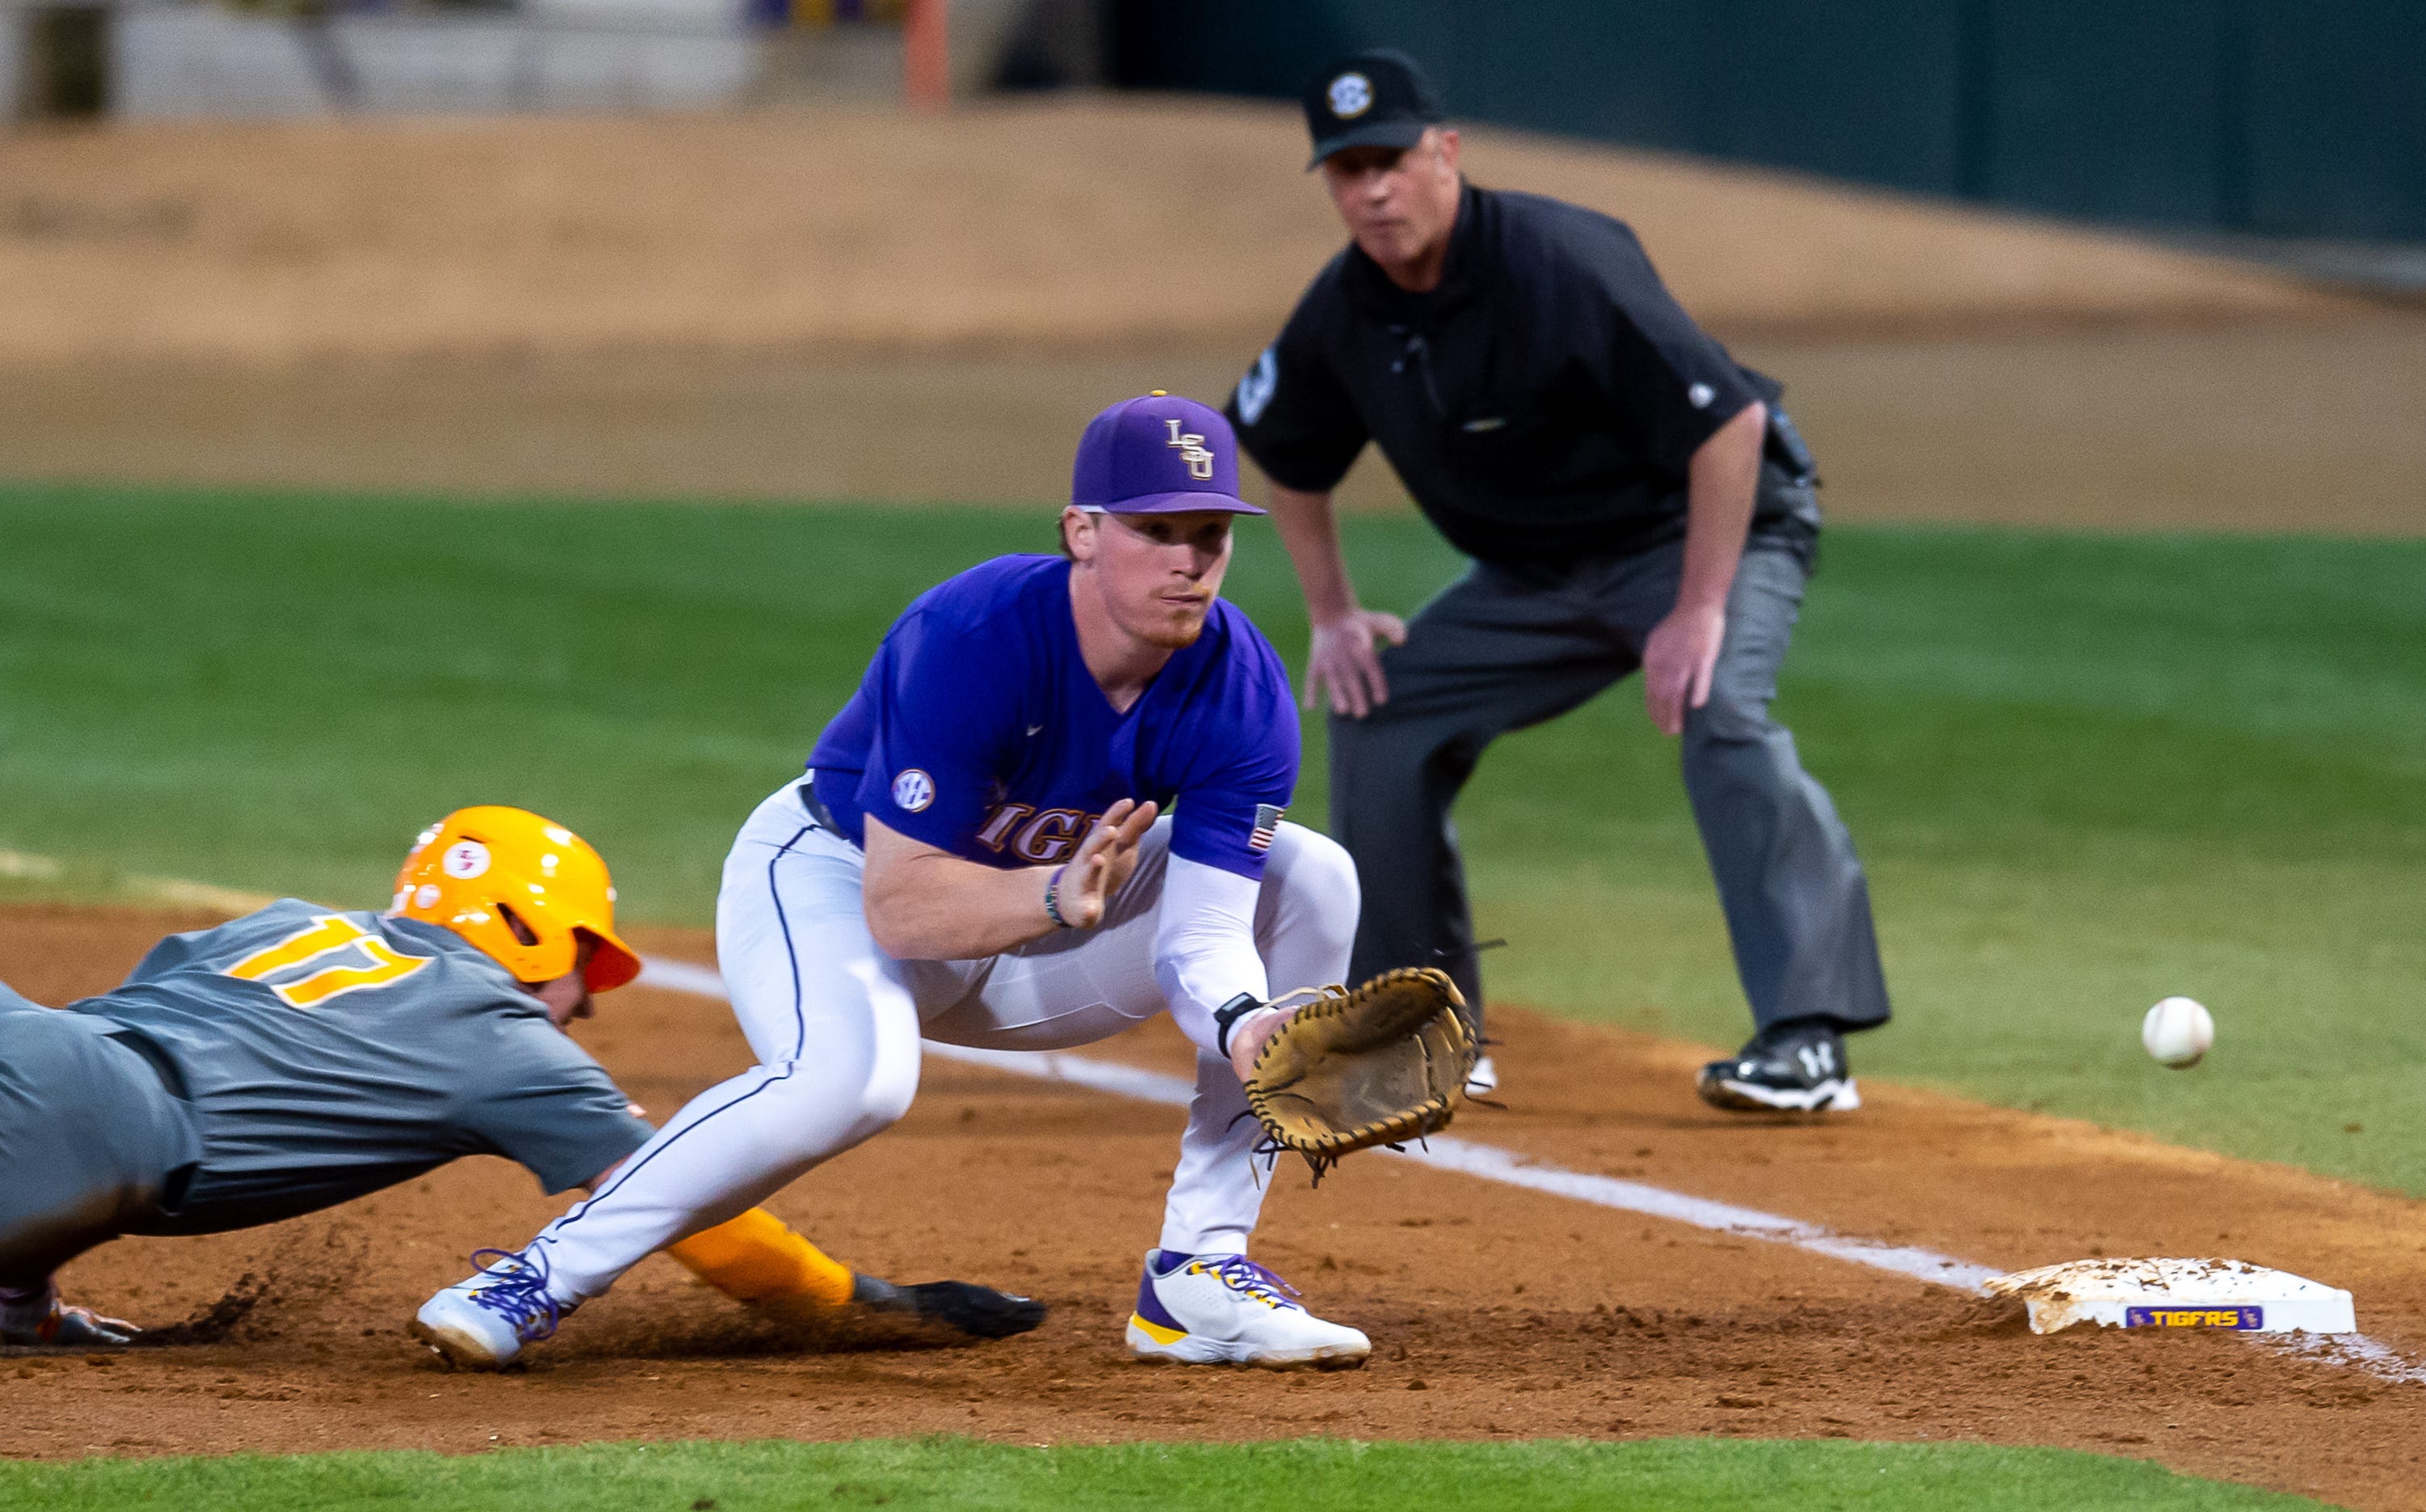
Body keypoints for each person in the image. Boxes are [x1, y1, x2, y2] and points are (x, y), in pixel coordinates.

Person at [415, 395, 1371, 1373]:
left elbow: (1203, 936)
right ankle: (530, 1279)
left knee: (1315, 876)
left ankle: (1198, 1276)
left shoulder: (1240, 687)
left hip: (1031, 936)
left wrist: (1248, 1022)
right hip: (836, 884)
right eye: (1155, 531)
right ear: (1082, 532)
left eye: (1209, 534)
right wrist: (1048, 897)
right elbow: (902, 909)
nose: (1189, 560)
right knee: (853, 1081)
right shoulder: (978, 635)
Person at [1227, 49, 1891, 1113]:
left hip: (1705, 531)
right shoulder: (1345, 309)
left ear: (1445, 152)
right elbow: (1281, 447)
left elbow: (1730, 424)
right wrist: (1334, 615)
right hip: (1537, 575)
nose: (1374, 189)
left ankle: (1806, 1039)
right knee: (1379, 707)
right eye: (1347, 171)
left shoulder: (1560, 260)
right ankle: (1431, 1032)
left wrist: (1699, 608)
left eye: (1391, 159)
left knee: (1722, 706)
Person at [0, 806, 1029, 1353]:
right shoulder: (500, 1036)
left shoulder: (287, 921)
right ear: (533, 931)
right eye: (586, 964)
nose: (587, 1004)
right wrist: (868, 1304)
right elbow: (684, 1202)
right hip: (93, 1119)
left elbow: (120, 1030)